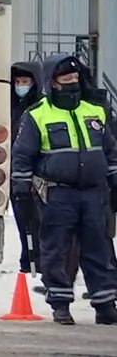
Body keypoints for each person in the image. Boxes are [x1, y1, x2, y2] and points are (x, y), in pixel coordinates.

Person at [11, 55, 117, 326]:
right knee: (55, 250)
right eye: (65, 80)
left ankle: (105, 304)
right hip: (58, 195)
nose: (72, 83)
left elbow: (110, 152)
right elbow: (23, 155)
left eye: (75, 79)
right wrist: (21, 188)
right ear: (52, 82)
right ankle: (60, 304)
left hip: (93, 194)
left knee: (100, 249)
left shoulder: (94, 111)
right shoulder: (36, 115)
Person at [10, 61, 42, 274]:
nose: (20, 85)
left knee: (37, 221)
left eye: (25, 82)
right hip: (15, 172)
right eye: (18, 82)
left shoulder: (40, 107)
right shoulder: (10, 106)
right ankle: (27, 258)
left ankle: (37, 260)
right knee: (23, 221)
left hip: (36, 173)